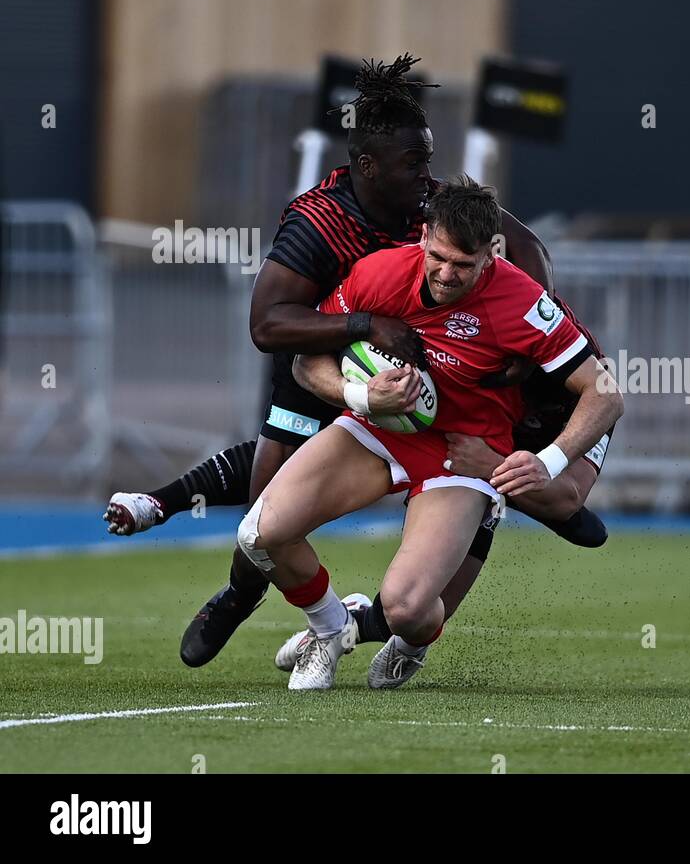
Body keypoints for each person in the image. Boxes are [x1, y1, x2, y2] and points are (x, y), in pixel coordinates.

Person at [242, 176, 622, 690]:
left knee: (407, 609)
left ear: (490, 255)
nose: (445, 274)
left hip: (462, 453)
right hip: (377, 430)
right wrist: (361, 397)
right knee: (258, 534)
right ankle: (331, 628)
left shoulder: (523, 302)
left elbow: (606, 393)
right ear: (424, 236)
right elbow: (307, 362)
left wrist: (547, 460)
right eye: (438, 256)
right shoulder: (379, 272)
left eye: (462, 266)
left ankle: (411, 642)